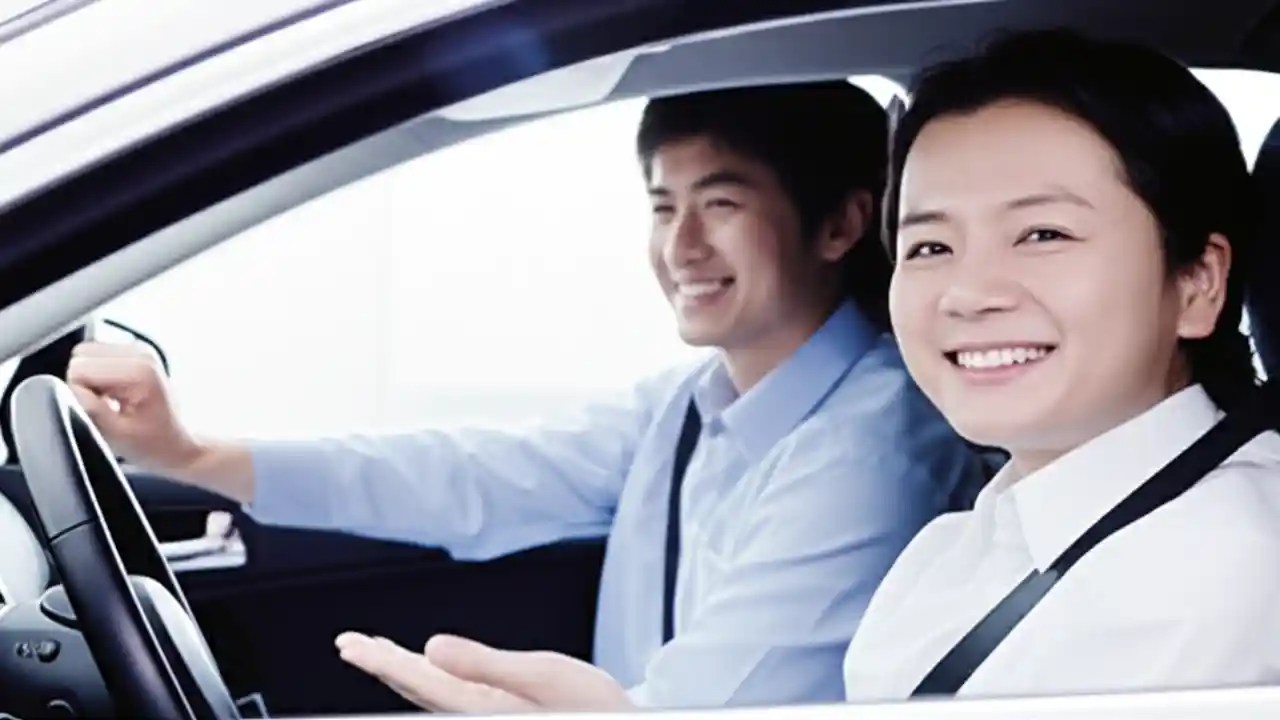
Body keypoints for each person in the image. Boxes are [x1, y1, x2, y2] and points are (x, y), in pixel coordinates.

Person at [68, 82, 984, 710]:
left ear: (839, 223)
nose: (682, 248)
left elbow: (709, 707)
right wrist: (194, 458)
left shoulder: (874, 448)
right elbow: (473, 476)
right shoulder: (694, 404)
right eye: (663, 208)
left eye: (723, 204)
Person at [841, 28, 1280, 700]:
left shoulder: (1218, 562)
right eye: (930, 247)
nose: (969, 294)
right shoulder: (974, 533)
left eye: (1043, 235)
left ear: (1198, 283)